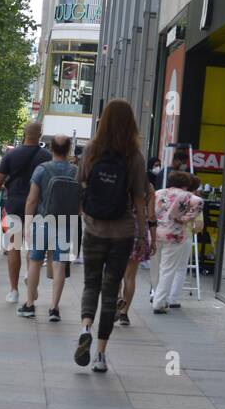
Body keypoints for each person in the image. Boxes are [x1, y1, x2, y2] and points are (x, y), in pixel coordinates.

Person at [74, 99, 151, 372]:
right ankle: (101, 355)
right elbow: (140, 200)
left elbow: (81, 186)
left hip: (94, 228)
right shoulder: (135, 157)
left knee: (90, 284)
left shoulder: (92, 151)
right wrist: (142, 233)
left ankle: (85, 327)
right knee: (110, 291)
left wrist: (86, 215)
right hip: (123, 233)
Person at [0, 122, 49, 303]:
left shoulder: (11, 155)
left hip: (13, 204)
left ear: (24, 134)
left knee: (13, 246)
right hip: (38, 206)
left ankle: (13, 290)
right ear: (40, 135)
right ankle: (30, 275)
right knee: (33, 245)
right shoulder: (46, 156)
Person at [19, 134, 78, 321]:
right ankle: (54, 308)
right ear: (69, 149)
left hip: (43, 222)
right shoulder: (76, 171)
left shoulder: (42, 169)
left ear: (51, 148)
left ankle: (29, 305)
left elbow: (32, 199)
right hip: (66, 223)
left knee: (35, 261)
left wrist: (28, 223)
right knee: (60, 264)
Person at [150, 170, 204, 313]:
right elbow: (199, 203)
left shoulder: (158, 193)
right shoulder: (187, 195)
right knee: (167, 270)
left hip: (155, 233)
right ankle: (159, 302)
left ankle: (156, 294)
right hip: (174, 235)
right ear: (185, 184)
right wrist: (184, 219)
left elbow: (149, 210)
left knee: (155, 268)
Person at [116, 169, 157, 326]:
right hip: (139, 231)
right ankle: (124, 313)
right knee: (130, 276)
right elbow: (151, 216)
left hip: (120, 229)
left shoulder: (122, 183)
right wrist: (153, 239)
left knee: (116, 272)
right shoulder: (149, 188)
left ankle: (118, 297)